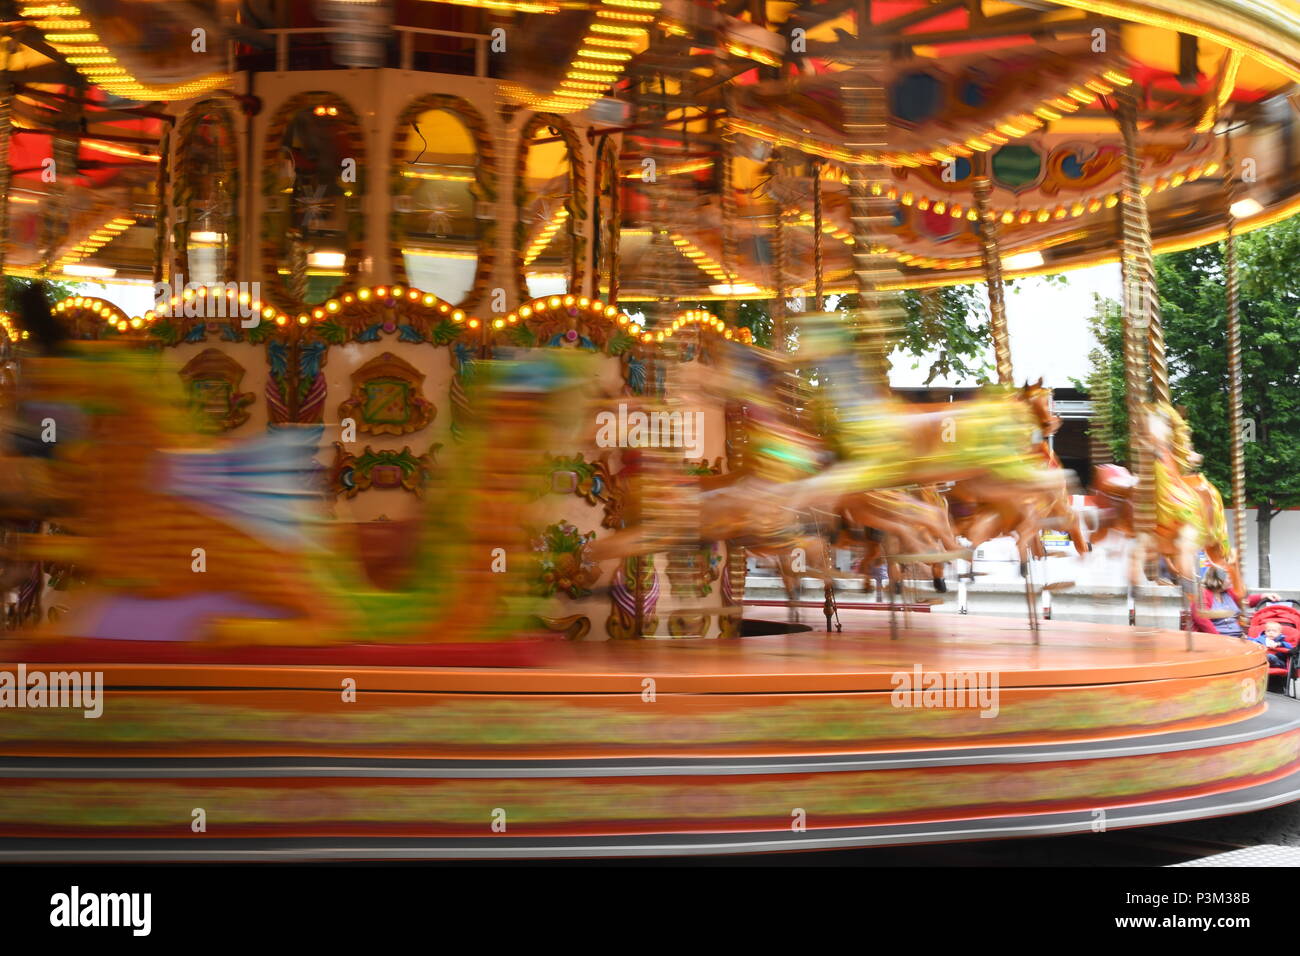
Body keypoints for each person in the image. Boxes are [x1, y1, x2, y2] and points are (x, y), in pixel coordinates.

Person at [1189, 566, 1280, 637]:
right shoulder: (1202, 594)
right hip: (1215, 640)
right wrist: (1219, 639)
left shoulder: (1229, 591)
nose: (1233, 581)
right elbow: (1202, 620)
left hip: (1237, 638)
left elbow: (1245, 602)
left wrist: (1263, 596)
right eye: (1229, 578)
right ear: (1218, 580)